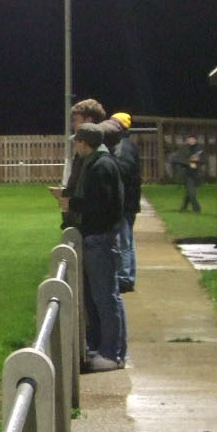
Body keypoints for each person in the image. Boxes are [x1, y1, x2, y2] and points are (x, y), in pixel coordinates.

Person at [68, 123, 126, 371]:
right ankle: (105, 348)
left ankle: (112, 353)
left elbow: (102, 206)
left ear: (84, 143)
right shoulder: (98, 162)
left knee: (105, 298)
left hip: (100, 238)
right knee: (100, 297)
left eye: (77, 141)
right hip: (96, 237)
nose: (75, 146)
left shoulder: (101, 166)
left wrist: (73, 203)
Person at [59, 98, 106, 230]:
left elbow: (97, 199)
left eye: (76, 119)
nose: (73, 124)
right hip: (80, 220)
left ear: (89, 120)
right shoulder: (86, 153)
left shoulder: (98, 157)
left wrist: (71, 202)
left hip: (89, 226)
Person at [109, 112, 141, 292]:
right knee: (126, 240)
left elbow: (125, 171)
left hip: (125, 201)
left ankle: (125, 278)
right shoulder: (125, 145)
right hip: (129, 200)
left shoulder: (123, 146)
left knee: (124, 240)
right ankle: (127, 276)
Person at [180, 135, 205, 213]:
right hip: (187, 174)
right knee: (191, 192)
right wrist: (189, 163)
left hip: (196, 173)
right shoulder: (183, 149)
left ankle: (183, 207)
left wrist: (197, 161)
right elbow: (179, 160)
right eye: (190, 139)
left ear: (196, 140)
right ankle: (197, 208)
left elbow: (204, 159)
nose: (191, 140)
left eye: (193, 139)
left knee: (189, 192)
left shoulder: (199, 149)